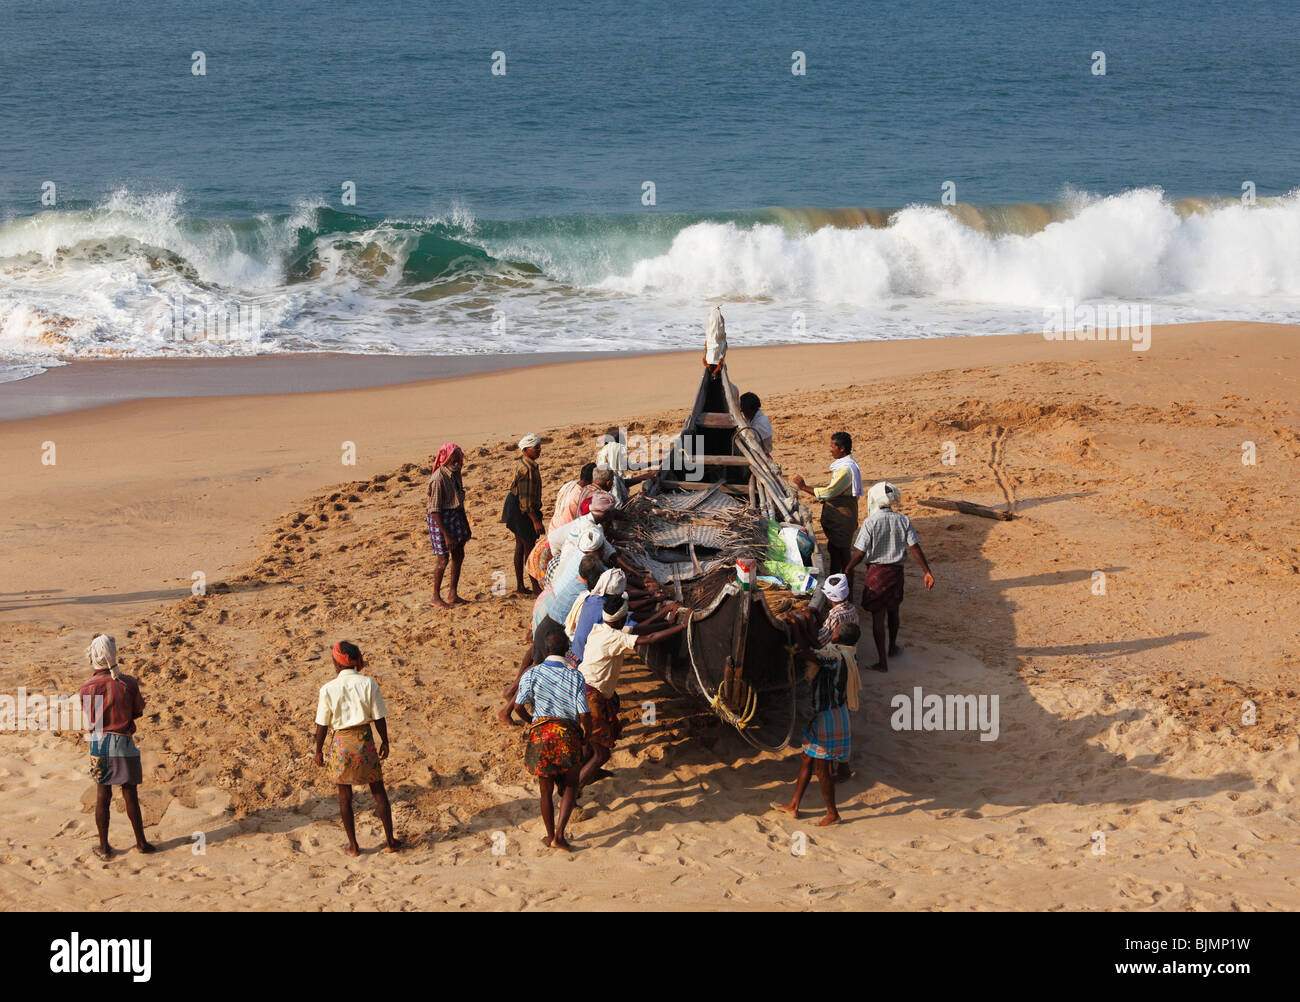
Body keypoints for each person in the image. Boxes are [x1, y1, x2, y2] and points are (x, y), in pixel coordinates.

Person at [575, 593, 688, 789]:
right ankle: (574, 789)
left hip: (579, 690)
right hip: (592, 697)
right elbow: (650, 637)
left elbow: (639, 629)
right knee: (602, 754)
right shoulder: (616, 638)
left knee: (588, 742)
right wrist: (683, 626)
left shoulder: (599, 629)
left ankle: (584, 774)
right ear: (619, 620)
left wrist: (665, 613)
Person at [313, 641, 400, 856]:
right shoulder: (369, 684)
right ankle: (390, 841)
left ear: (336, 663)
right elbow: (379, 717)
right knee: (378, 792)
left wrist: (318, 750)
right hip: (364, 741)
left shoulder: (327, 689)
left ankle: (353, 846)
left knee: (345, 796)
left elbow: (322, 724)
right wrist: (385, 741)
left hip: (342, 744)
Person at [772, 622, 861, 826]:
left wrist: (795, 626)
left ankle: (833, 813)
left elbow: (806, 653)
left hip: (828, 717)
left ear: (838, 638)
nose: (833, 632)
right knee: (807, 759)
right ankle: (794, 805)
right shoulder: (847, 652)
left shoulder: (834, 657)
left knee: (823, 769)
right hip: (832, 713)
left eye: (835, 631)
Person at [844, 482, 936, 673]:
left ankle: (882, 662)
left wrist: (848, 568)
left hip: (876, 572)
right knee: (894, 611)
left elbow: (860, 553)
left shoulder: (870, 523)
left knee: (878, 616)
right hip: (896, 572)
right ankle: (892, 647)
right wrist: (927, 571)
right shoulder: (903, 520)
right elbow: (915, 548)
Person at [513, 630, 591, 852]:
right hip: (567, 735)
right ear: (566, 651)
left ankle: (549, 836)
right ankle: (560, 835)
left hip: (542, 735)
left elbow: (518, 707)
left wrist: (533, 722)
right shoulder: (575, 676)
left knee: (545, 791)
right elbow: (584, 712)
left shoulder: (532, 674)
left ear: (546, 650)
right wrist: (587, 733)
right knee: (570, 786)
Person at [79, 634, 155, 859]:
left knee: (103, 795)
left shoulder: (86, 688)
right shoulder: (127, 683)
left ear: (93, 657)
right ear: (113, 655)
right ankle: (142, 843)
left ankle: (104, 847)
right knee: (130, 792)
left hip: (98, 744)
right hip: (123, 743)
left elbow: (92, 719)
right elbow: (138, 711)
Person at [794, 431, 862, 575]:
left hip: (842, 518)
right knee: (834, 550)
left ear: (841, 448)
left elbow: (829, 492)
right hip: (840, 517)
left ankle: (846, 590)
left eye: (832, 446)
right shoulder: (845, 465)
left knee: (843, 554)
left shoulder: (845, 469)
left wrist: (804, 487)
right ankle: (835, 582)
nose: (830, 449)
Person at [426, 442, 471, 608]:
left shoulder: (455, 473)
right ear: (446, 459)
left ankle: (453, 593)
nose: (458, 463)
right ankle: (435, 597)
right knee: (443, 559)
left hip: (454, 514)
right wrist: (446, 535)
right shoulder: (438, 478)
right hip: (440, 519)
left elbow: (458, 501)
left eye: (459, 459)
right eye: (454, 459)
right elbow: (434, 510)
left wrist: (465, 525)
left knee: (459, 553)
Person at [503, 433, 544, 595]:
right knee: (529, 548)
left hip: (515, 507)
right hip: (522, 510)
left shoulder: (524, 464)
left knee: (520, 545)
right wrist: (535, 521)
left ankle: (521, 585)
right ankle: (534, 587)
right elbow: (525, 502)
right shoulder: (528, 470)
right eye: (536, 448)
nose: (539, 450)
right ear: (526, 450)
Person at [550, 462, 597, 531]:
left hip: (554, 527)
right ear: (592, 480)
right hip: (565, 532)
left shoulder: (569, 485)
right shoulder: (581, 496)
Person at [816, 573, 859, 648]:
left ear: (829, 597)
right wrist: (816, 613)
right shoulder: (852, 608)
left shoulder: (836, 614)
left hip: (835, 652)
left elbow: (821, 641)